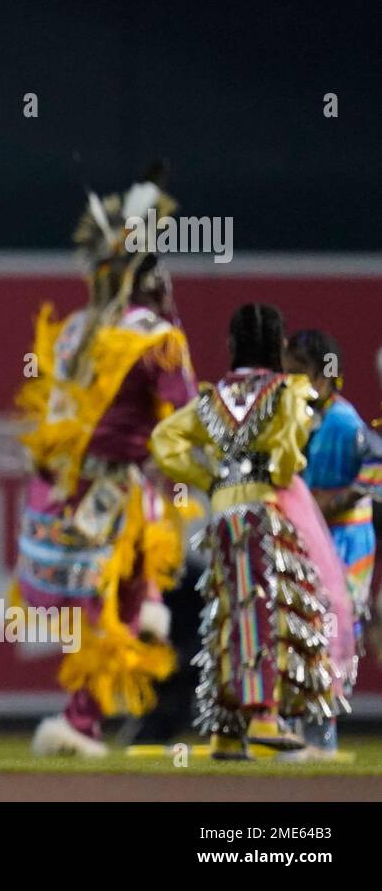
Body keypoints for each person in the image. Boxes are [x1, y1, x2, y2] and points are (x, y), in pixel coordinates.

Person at [14, 166, 197, 757]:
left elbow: (52, 422)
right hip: (120, 497)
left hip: (75, 490)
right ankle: (85, 715)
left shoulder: (73, 333)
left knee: (107, 609)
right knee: (110, 612)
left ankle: (84, 717)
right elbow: (185, 416)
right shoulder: (156, 338)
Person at [150, 304, 343, 760]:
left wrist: (208, 478)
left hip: (222, 512)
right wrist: (279, 469)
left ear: (232, 345)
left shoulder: (212, 398)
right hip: (263, 507)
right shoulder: (287, 390)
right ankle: (262, 713)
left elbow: (164, 440)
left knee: (226, 610)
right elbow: (290, 447)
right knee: (263, 608)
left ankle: (225, 727)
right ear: (277, 345)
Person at [283, 329, 375, 756]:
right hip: (302, 540)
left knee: (328, 636)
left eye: (297, 371)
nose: (288, 378)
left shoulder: (343, 421)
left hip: (344, 545)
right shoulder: (292, 416)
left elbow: (374, 476)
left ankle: (322, 741)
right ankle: (291, 737)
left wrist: (330, 501)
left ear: (322, 374)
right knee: (292, 634)